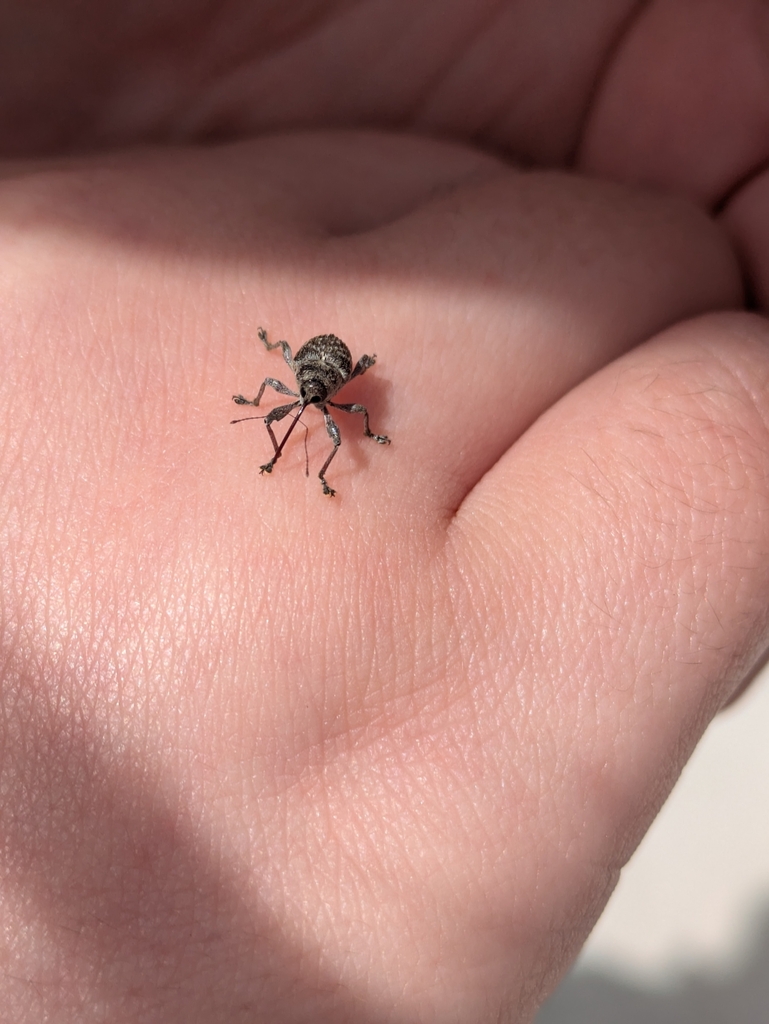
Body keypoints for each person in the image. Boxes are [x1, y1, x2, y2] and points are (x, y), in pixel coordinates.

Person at [1, 2, 768, 1021]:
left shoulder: (340, 392)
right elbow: (296, 394)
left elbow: (329, 385)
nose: (312, 414)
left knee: (322, 424)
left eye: (322, 404)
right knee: (293, 424)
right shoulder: (308, 397)